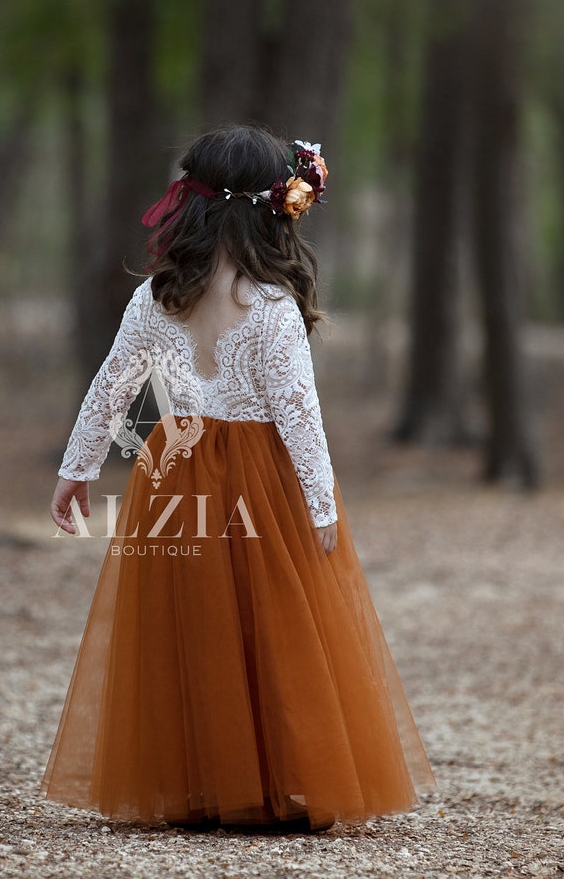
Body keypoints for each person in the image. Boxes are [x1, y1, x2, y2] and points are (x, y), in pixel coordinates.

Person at [41, 125, 436, 833]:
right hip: (263, 480)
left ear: (191, 205)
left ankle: (199, 780)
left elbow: (111, 388)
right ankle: (281, 782)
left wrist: (77, 468)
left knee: (195, 630)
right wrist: (320, 506)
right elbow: (299, 416)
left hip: (178, 477)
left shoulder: (155, 299)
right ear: (271, 210)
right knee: (273, 629)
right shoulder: (272, 309)